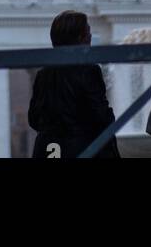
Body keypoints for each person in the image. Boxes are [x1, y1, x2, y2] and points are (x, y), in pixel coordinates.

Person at [28, 10, 121, 159]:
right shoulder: (89, 70)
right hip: (82, 149)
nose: (90, 36)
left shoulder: (43, 74)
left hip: (49, 150)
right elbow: (101, 116)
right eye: (87, 32)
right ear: (80, 38)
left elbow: (33, 118)